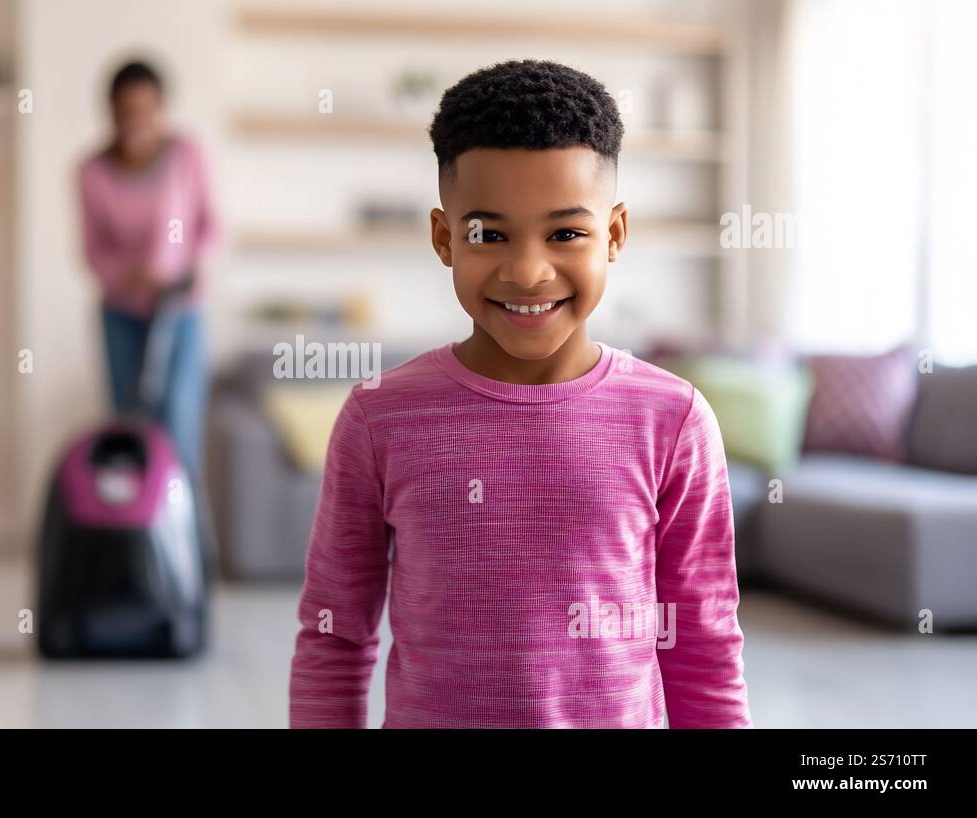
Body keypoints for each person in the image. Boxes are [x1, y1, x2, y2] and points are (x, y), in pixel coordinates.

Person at [289, 60, 751, 728]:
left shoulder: (674, 421)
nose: (528, 270)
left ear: (615, 235)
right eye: (488, 234)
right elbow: (335, 636)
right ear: (445, 239)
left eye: (566, 233)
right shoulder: (378, 418)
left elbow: (702, 645)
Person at [77, 59, 217, 486]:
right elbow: (93, 249)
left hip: (179, 309)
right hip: (121, 313)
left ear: (161, 110)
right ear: (111, 112)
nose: (135, 121)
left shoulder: (186, 155)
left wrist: (177, 271)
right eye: (126, 111)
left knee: (178, 423)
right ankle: (132, 536)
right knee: (130, 424)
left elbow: (208, 226)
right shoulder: (91, 172)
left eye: (146, 111)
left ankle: (183, 541)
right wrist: (129, 276)